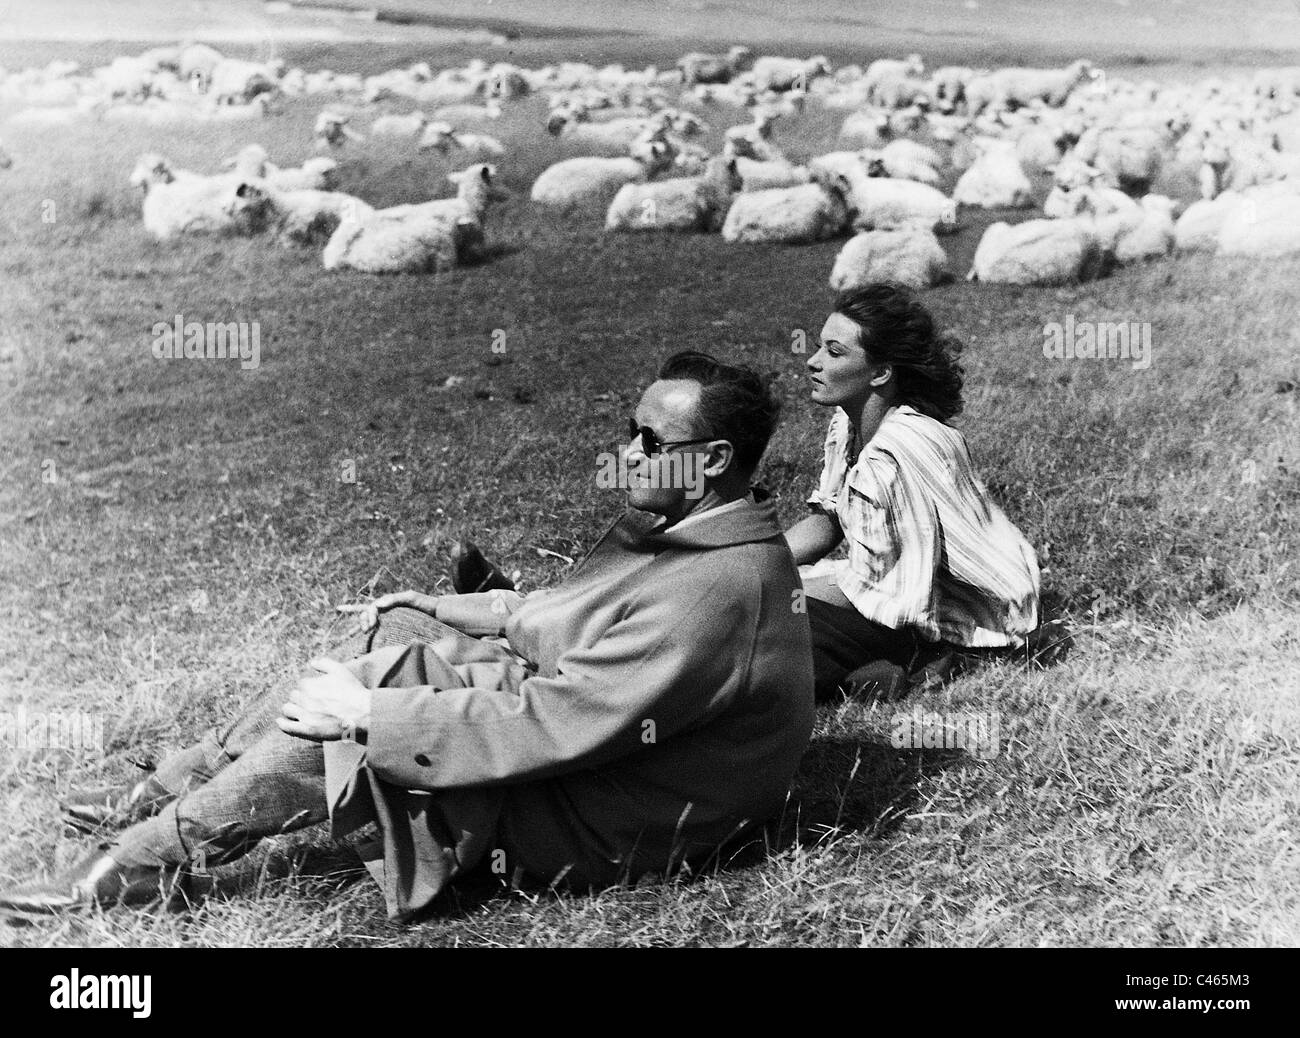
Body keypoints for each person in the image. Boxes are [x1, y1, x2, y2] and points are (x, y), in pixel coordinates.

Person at [1, 352, 815, 922]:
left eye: (651, 442)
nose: (628, 453)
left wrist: (368, 720)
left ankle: (148, 860)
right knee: (401, 626)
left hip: (617, 812)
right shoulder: (701, 534)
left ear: (711, 460)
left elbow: (558, 720)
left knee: (361, 709)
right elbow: (575, 626)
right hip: (611, 749)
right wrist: (450, 607)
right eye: (630, 429)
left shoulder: (717, 589)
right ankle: (179, 783)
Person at [784, 284, 1041, 702]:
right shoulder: (848, 425)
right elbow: (828, 520)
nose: (812, 362)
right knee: (753, 606)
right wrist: (755, 562)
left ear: (881, 372)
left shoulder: (896, 451)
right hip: (891, 592)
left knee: (763, 630)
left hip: (947, 608)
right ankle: (865, 672)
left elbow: (883, 591)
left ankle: (900, 663)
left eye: (834, 352)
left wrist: (771, 588)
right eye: (818, 348)